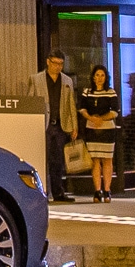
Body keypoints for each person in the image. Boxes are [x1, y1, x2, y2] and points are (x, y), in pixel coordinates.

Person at [21, 50, 80, 202]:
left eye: (60, 64)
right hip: (43, 125)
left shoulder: (67, 81)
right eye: (55, 63)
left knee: (58, 161)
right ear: (48, 62)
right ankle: (43, 193)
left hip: (60, 125)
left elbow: (71, 105)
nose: (58, 67)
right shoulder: (36, 79)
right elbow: (30, 101)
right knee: (42, 159)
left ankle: (58, 192)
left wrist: (74, 126)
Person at [80, 65, 121, 202]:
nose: (99, 78)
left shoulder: (111, 92)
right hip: (91, 129)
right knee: (95, 160)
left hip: (107, 129)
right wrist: (91, 118)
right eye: (97, 75)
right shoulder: (87, 92)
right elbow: (82, 108)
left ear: (106, 77)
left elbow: (115, 111)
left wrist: (101, 119)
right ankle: (97, 191)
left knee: (107, 159)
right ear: (93, 77)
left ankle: (107, 190)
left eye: (102, 75)